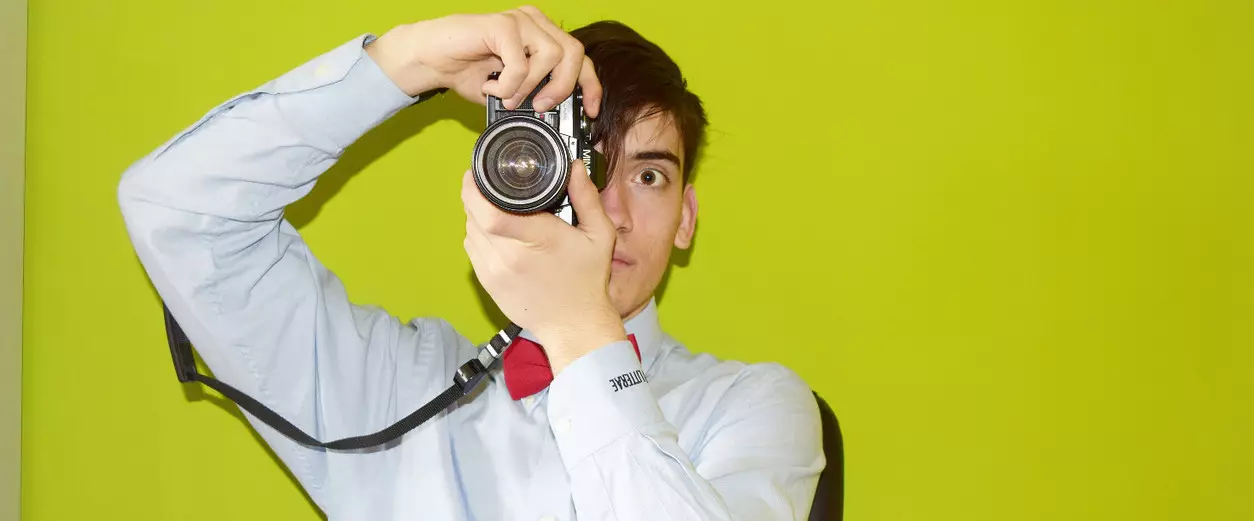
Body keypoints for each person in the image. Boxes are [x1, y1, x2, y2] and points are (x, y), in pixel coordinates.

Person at [117, 6, 824, 520]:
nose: (608, 214)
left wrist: (580, 330)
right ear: (520, 174)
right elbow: (176, 209)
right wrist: (402, 65)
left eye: (647, 176)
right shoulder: (394, 389)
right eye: (583, 165)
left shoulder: (756, 408)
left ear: (686, 220)